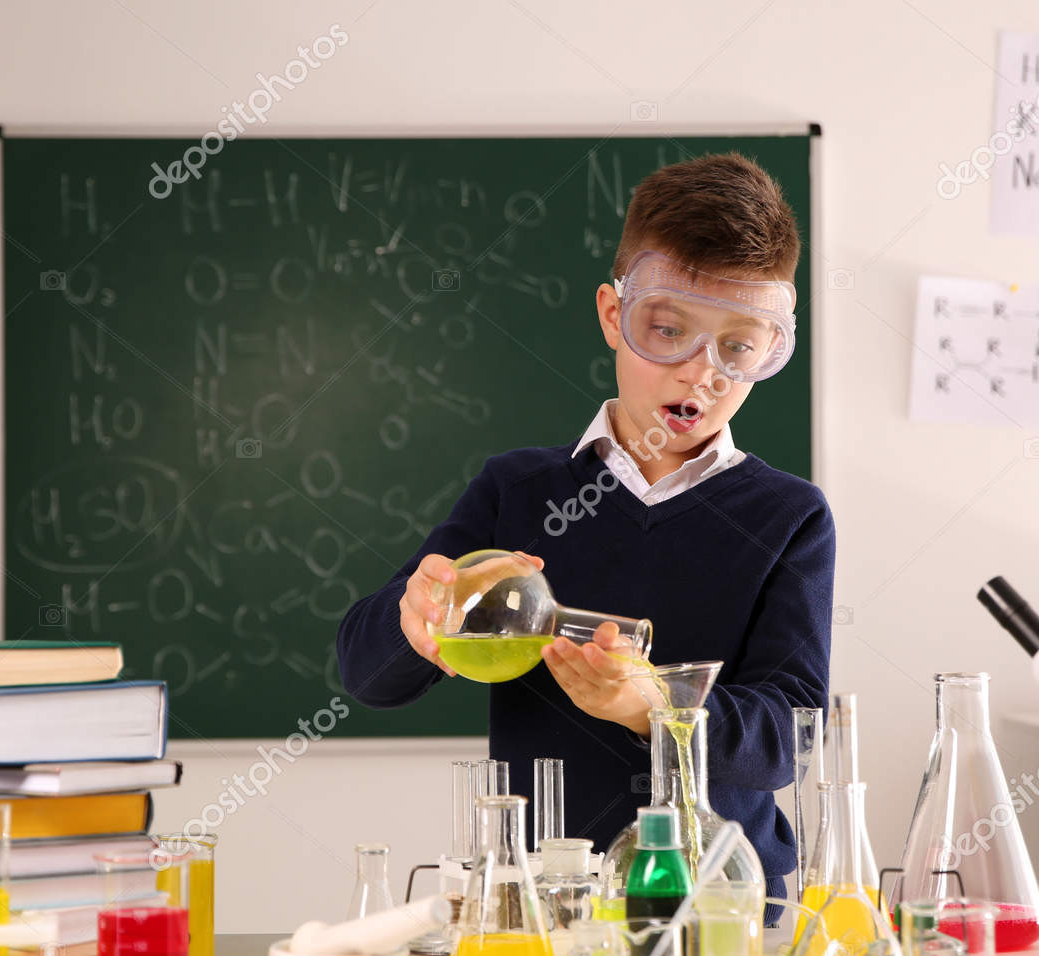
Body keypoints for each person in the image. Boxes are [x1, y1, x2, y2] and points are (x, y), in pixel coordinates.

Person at [337, 152, 832, 905]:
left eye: (738, 346)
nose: (701, 373)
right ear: (613, 315)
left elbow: (787, 738)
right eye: (668, 330)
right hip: (545, 902)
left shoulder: (790, 516)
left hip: (723, 901)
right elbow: (366, 676)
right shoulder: (518, 491)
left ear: (770, 348)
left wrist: (655, 707)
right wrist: (414, 618)